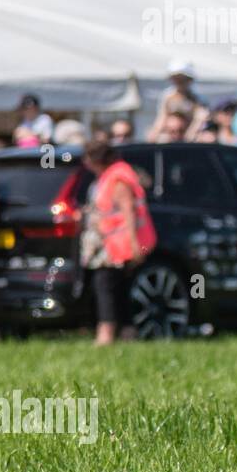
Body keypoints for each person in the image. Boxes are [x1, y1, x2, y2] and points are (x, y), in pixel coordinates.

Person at [80, 143, 155, 346]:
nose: (85, 164)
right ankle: (127, 331)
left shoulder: (119, 178)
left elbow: (128, 210)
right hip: (110, 240)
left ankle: (107, 332)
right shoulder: (110, 175)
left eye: (88, 159)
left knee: (105, 286)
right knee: (119, 287)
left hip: (116, 243)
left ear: (98, 159)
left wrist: (133, 243)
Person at [148, 59, 208, 141]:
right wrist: (155, 133)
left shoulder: (198, 98)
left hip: (191, 136)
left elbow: (200, 119)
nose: (179, 81)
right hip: (171, 136)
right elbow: (162, 118)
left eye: (182, 78)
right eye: (176, 78)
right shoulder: (168, 96)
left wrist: (191, 134)